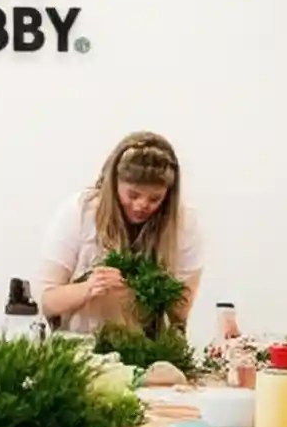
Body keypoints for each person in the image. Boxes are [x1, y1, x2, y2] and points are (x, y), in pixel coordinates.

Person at [37, 131, 203, 333]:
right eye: (133, 195)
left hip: (150, 347)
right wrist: (89, 288)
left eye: (155, 199)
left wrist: (134, 295)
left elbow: (180, 313)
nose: (141, 205)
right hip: (80, 343)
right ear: (113, 183)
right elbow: (47, 301)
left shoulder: (184, 224)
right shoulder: (80, 212)